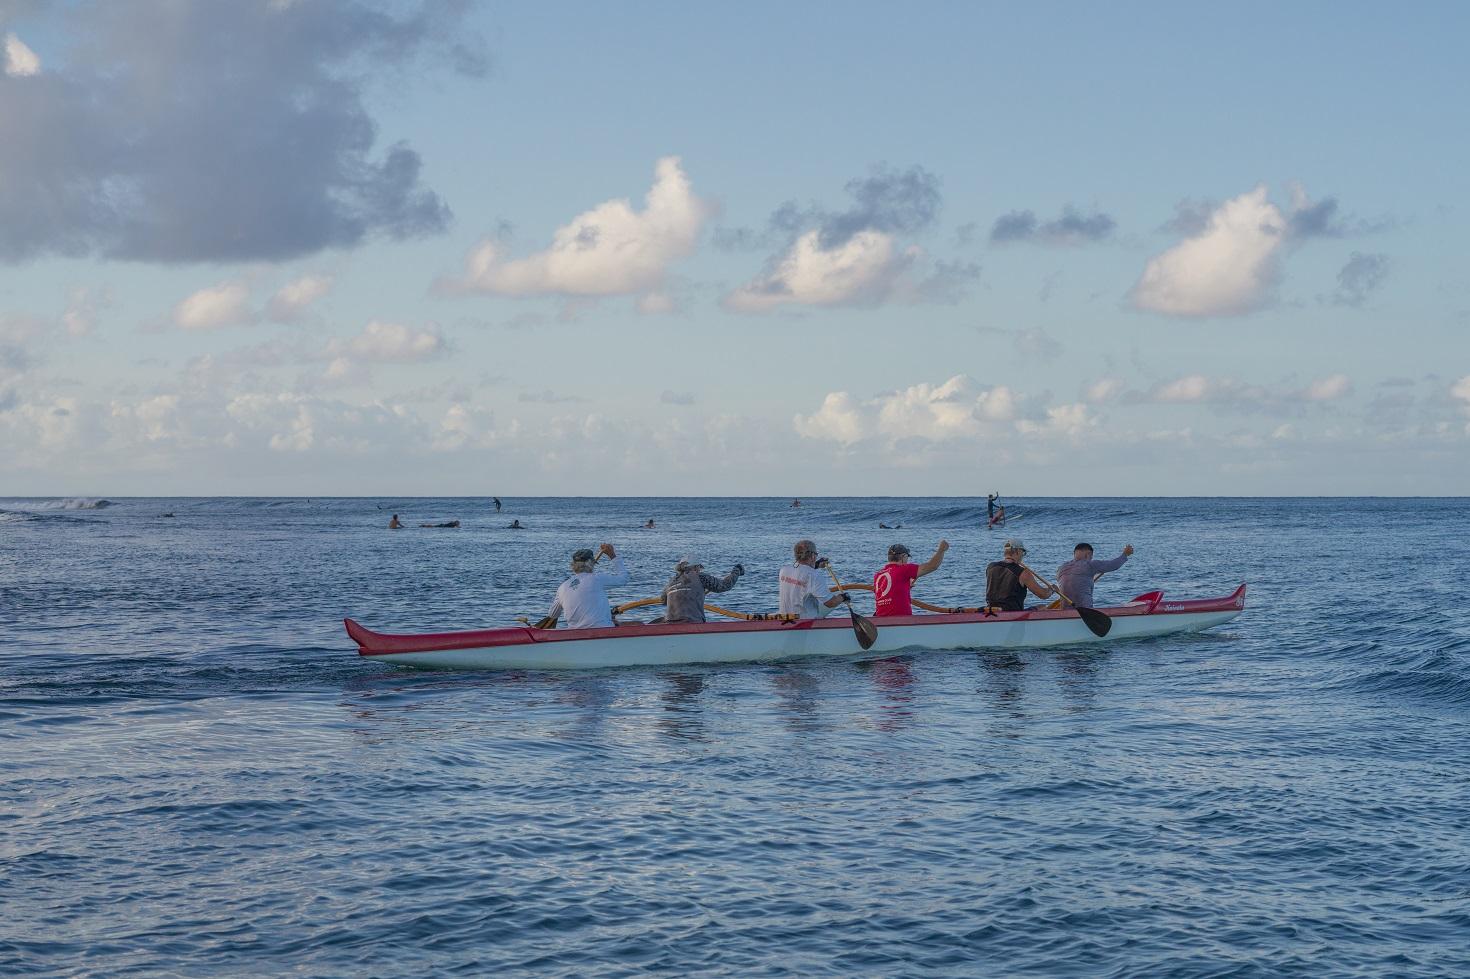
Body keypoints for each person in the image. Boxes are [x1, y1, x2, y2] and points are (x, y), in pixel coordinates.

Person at [546, 543, 630, 629]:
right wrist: (612, 555)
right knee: (631, 623)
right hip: (602, 629)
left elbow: (553, 614)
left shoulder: (562, 587)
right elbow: (624, 579)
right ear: (591, 564)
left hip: (574, 632)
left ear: (573, 566)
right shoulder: (596, 579)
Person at [873, 540, 949, 617]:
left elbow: (891, 592)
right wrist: (941, 550)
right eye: (907, 557)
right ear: (903, 556)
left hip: (880, 619)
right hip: (901, 620)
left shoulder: (878, 575)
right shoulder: (904, 569)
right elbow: (932, 566)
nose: (907, 560)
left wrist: (906, 587)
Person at [657, 558, 745, 624]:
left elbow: (664, 600)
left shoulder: (671, 581)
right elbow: (725, 585)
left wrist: (686, 592)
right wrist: (736, 571)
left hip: (670, 623)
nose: (699, 570)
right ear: (696, 567)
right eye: (699, 568)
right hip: (693, 622)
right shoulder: (700, 577)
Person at [778, 539, 848, 619]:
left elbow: (802, 572)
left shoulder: (784, 570)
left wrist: (816, 565)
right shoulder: (814, 576)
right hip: (805, 622)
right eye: (816, 554)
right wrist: (843, 597)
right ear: (812, 556)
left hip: (785, 619)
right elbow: (830, 603)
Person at [1055, 543, 1134, 609]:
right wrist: (1125, 554)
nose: (1091, 558)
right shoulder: (1090, 564)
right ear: (1088, 554)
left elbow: (1074, 581)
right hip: (1085, 611)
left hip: (1064, 611)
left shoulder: (1061, 568)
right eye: (1091, 556)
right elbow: (1114, 565)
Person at [985, 538, 1054, 611]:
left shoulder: (990, 567)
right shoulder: (1023, 572)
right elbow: (1043, 595)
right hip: (1013, 613)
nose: (1022, 556)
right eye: (1023, 553)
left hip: (992, 611)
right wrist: (1052, 589)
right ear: (1018, 551)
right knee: (1042, 607)